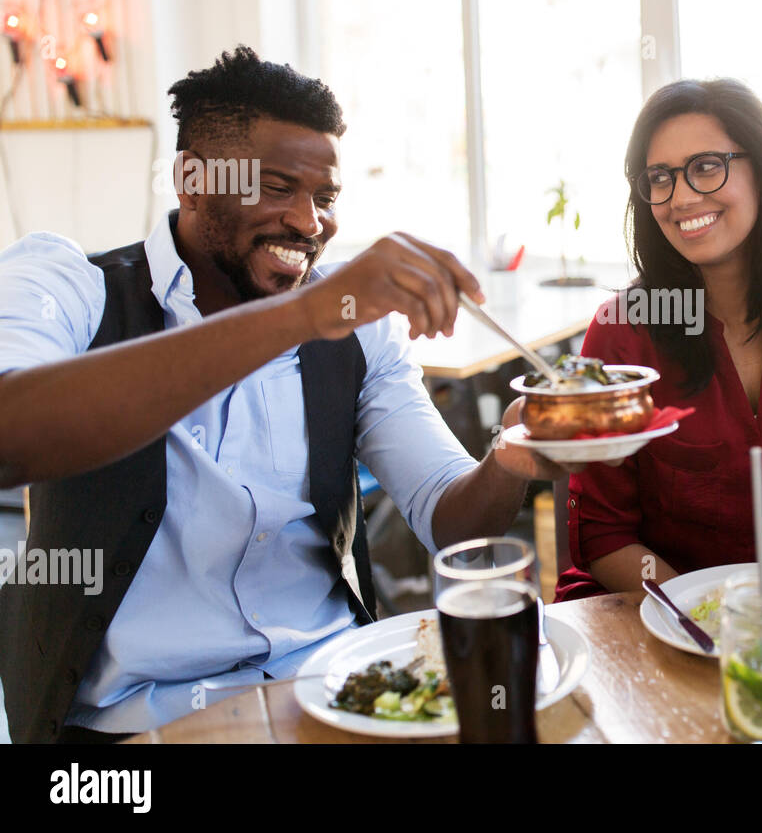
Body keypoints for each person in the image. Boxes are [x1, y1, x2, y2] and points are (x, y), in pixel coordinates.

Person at [0, 46, 567, 743]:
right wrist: (306, 315)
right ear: (191, 179)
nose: (309, 222)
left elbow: (450, 520)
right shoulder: (71, 285)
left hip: (332, 702)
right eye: (275, 187)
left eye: (325, 198)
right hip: (130, 736)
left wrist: (509, 458)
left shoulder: (359, 335)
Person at [555, 78, 762, 600]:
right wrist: (713, 620)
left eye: (707, 167)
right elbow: (604, 532)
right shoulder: (623, 330)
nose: (681, 197)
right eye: (659, 177)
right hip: (642, 614)